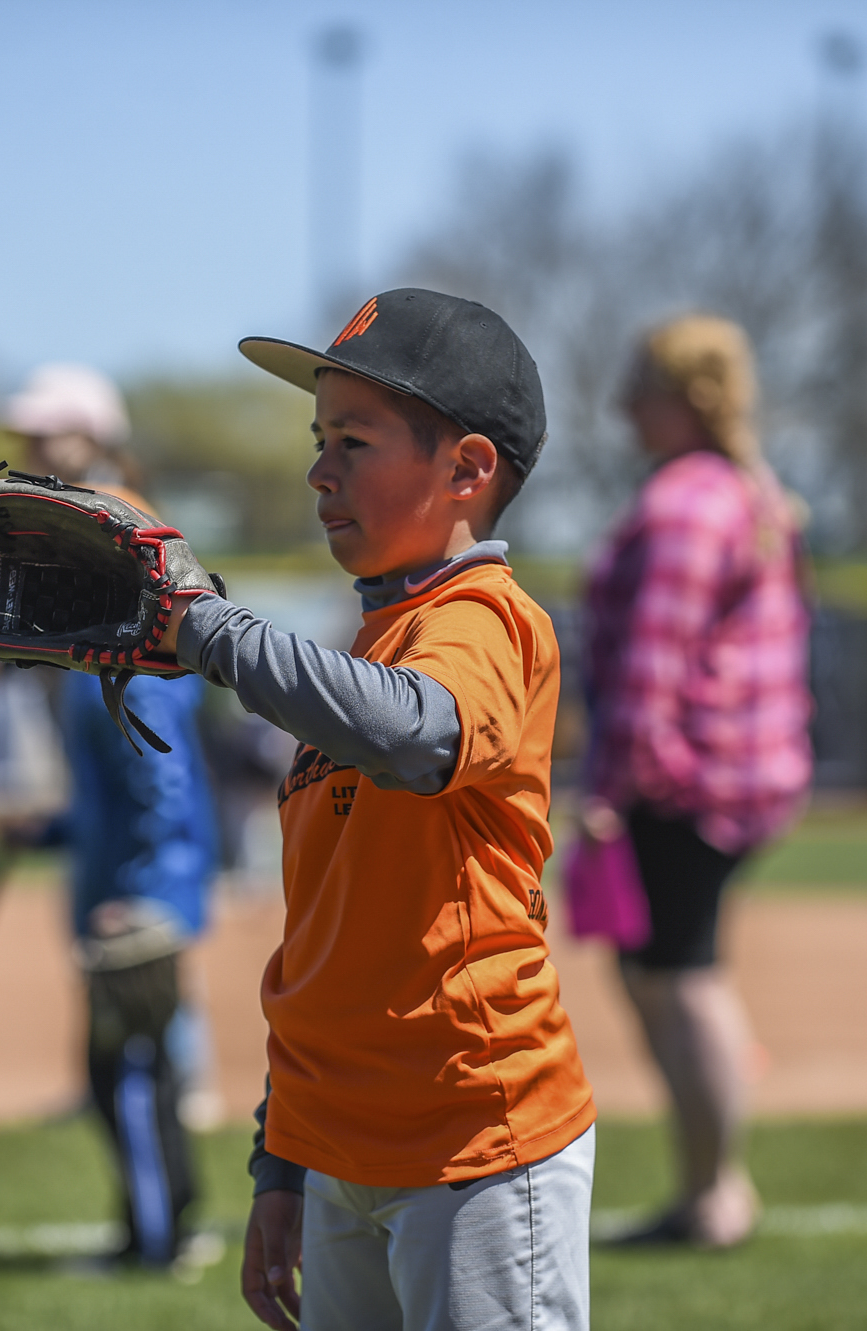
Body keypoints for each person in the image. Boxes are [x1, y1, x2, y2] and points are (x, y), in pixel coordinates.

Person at [155, 289, 594, 1330]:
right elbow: (325, 943)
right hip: (341, 1144)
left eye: (352, 439)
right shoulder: (368, 650)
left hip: (469, 1143)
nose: (319, 470)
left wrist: (203, 627)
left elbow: (416, 729)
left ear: (467, 469)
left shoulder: (483, 619)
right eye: (319, 438)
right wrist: (281, 1159)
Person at [577, 314, 811, 1249]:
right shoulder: (750, 493)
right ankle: (709, 1182)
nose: (626, 402)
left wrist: (612, 785)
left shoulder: (683, 503)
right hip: (736, 774)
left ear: (691, 398)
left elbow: (651, 660)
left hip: (683, 782)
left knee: (683, 973)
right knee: (664, 969)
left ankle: (716, 1192)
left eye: (644, 383)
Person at [0, 363, 223, 1267]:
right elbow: (112, 779)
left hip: (140, 888)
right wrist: (51, 831)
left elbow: (161, 769)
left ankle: (158, 1239)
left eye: (54, 439)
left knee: (128, 1071)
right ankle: (161, 1227)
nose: (35, 456)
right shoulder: (80, 597)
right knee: (124, 1069)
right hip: (115, 873)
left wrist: (153, 892)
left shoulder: (134, 578)